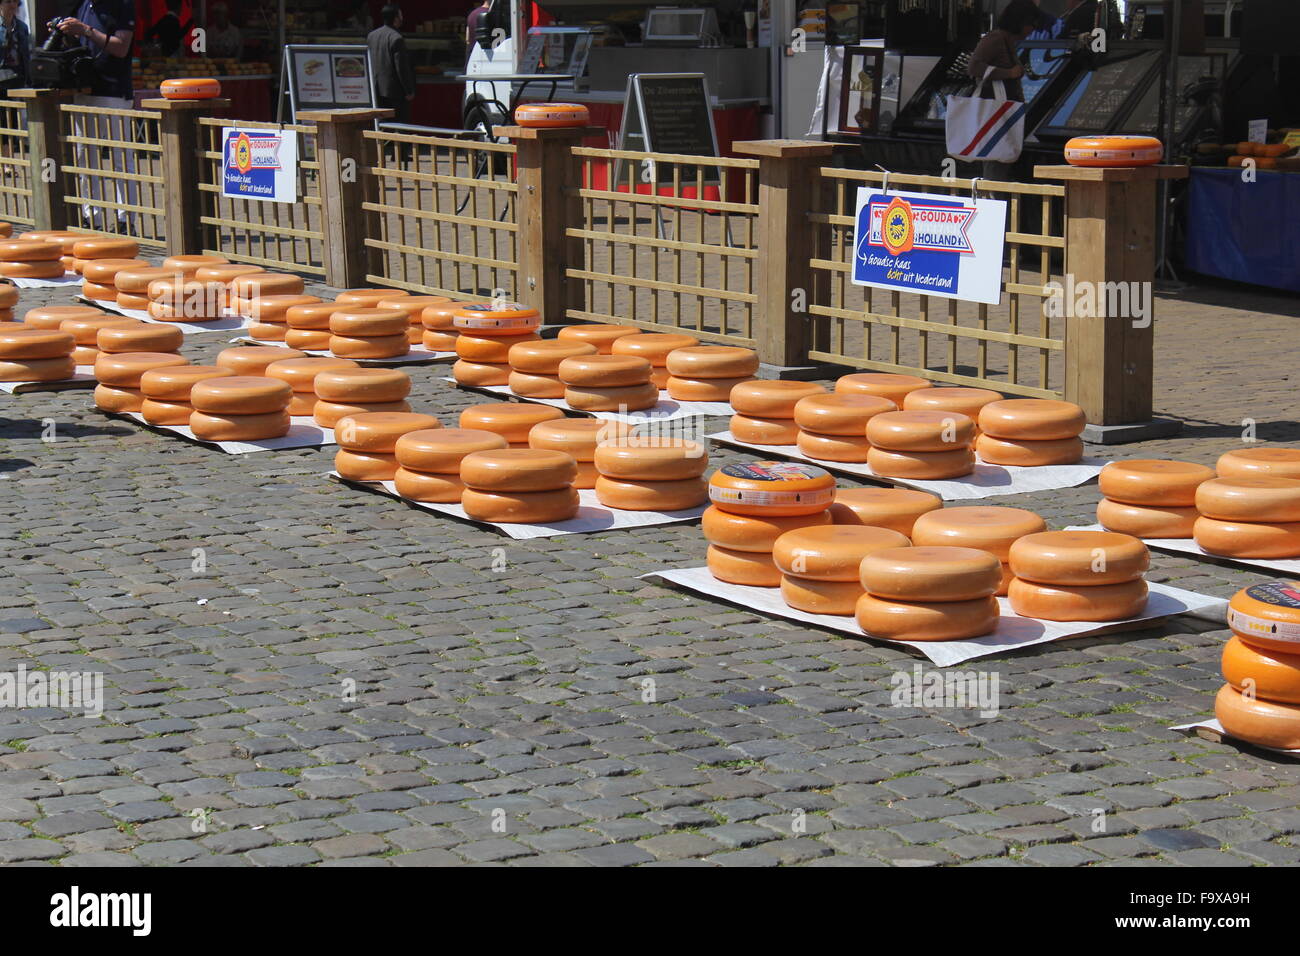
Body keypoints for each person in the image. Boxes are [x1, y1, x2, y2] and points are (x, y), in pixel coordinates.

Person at [57, 0, 137, 231]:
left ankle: (125, 220)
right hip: (84, 89)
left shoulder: (122, 4)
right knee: (85, 157)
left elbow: (121, 47)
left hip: (113, 92)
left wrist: (85, 30)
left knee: (121, 159)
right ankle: (91, 216)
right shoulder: (81, 5)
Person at [967, 0, 1038, 181]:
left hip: (1003, 113)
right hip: (995, 115)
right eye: (1030, 24)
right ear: (1020, 22)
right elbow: (974, 67)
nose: (1032, 29)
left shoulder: (1007, 41)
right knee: (995, 160)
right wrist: (1009, 73)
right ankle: (992, 201)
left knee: (1000, 160)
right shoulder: (996, 39)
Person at [368, 4, 415, 124]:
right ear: (396, 18)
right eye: (400, 15)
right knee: (398, 126)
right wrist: (408, 90)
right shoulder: (396, 38)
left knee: (381, 124)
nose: (402, 18)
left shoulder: (372, 36)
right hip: (395, 93)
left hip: (377, 89)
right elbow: (401, 68)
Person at [0, 0, 31, 95]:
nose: (13, 5)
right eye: (8, 2)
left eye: (15, 1)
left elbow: (26, 55)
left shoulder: (22, 27)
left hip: (18, 77)